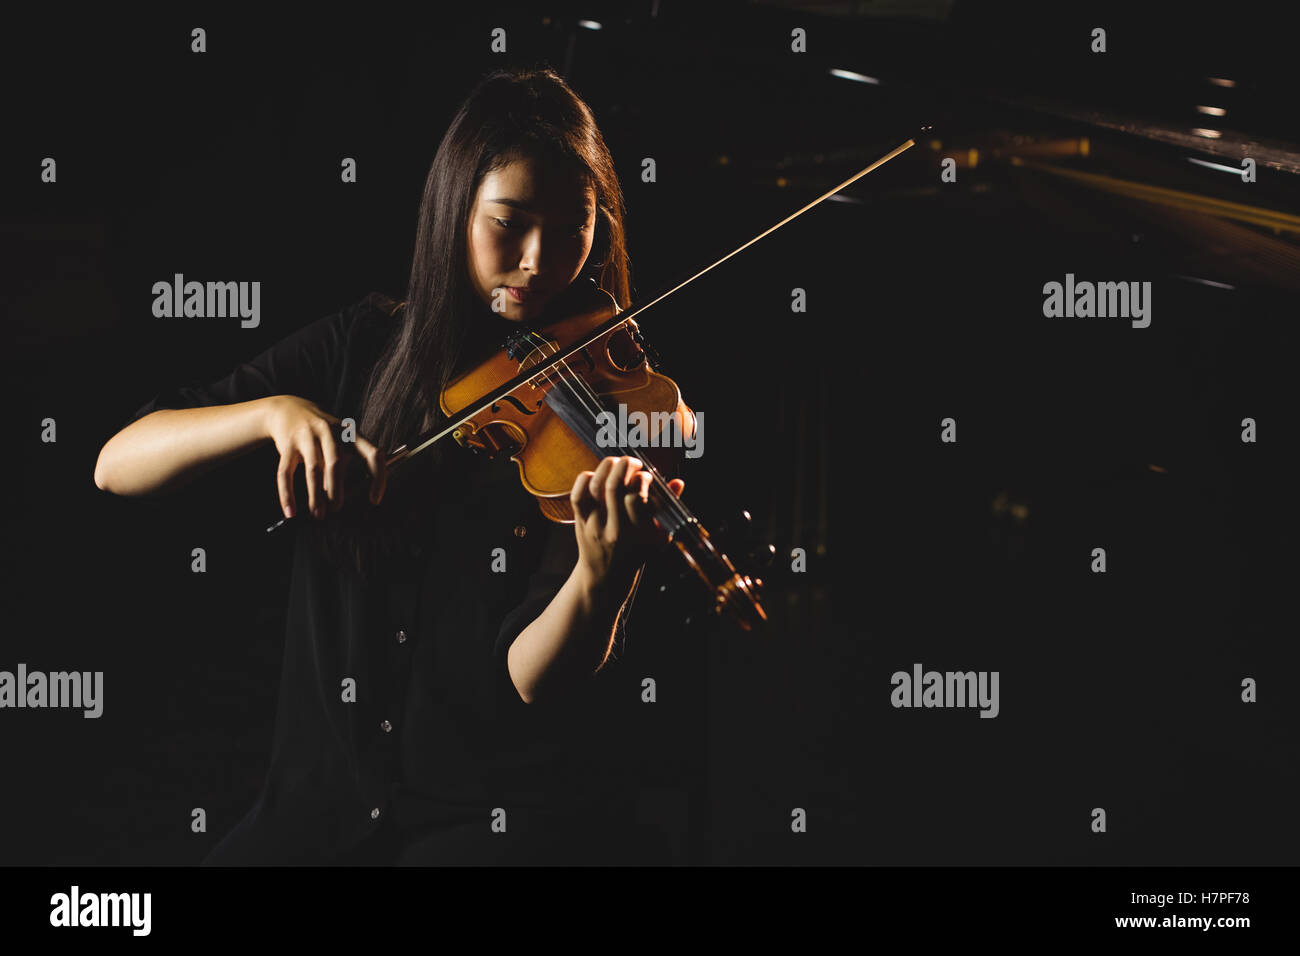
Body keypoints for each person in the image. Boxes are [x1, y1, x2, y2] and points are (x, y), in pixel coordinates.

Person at [93, 66, 689, 866]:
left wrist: (598, 582)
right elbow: (115, 463)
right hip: (313, 815)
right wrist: (274, 415)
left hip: (484, 826)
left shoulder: (606, 409)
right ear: (454, 211)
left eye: (573, 226)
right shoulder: (362, 347)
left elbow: (527, 675)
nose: (540, 260)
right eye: (509, 223)